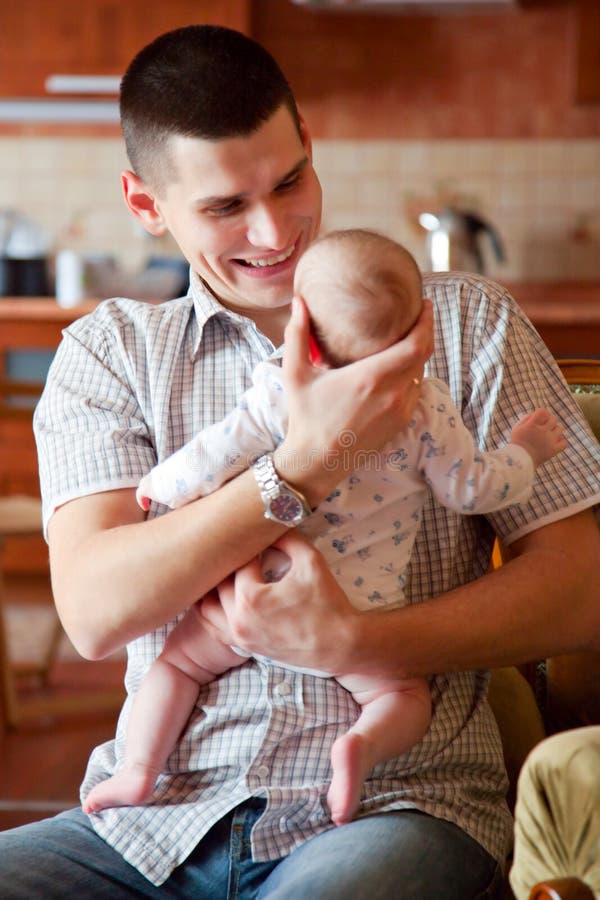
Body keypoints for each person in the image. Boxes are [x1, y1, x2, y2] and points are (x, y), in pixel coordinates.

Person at [2, 23, 597, 900]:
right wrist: (305, 465)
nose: (275, 231)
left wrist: (359, 642)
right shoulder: (112, 353)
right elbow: (95, 613)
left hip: (394, 809)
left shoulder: (468, 322)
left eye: (289, 181)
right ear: (145, 204)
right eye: (225, 207)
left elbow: (582, 590)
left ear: (309, 142)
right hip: (153, 823)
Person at [82, 228, 567, 829]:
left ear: (303, 332)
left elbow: (218, 453)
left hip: (255, 587)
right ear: (418, 329)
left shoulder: (277, 390)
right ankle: (359, 746)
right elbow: (471, 489)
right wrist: (523, 454)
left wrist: (165, 485)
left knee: (176, 667)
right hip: (363, 605)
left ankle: (138, 769)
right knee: (401, 698)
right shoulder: (427, 409)